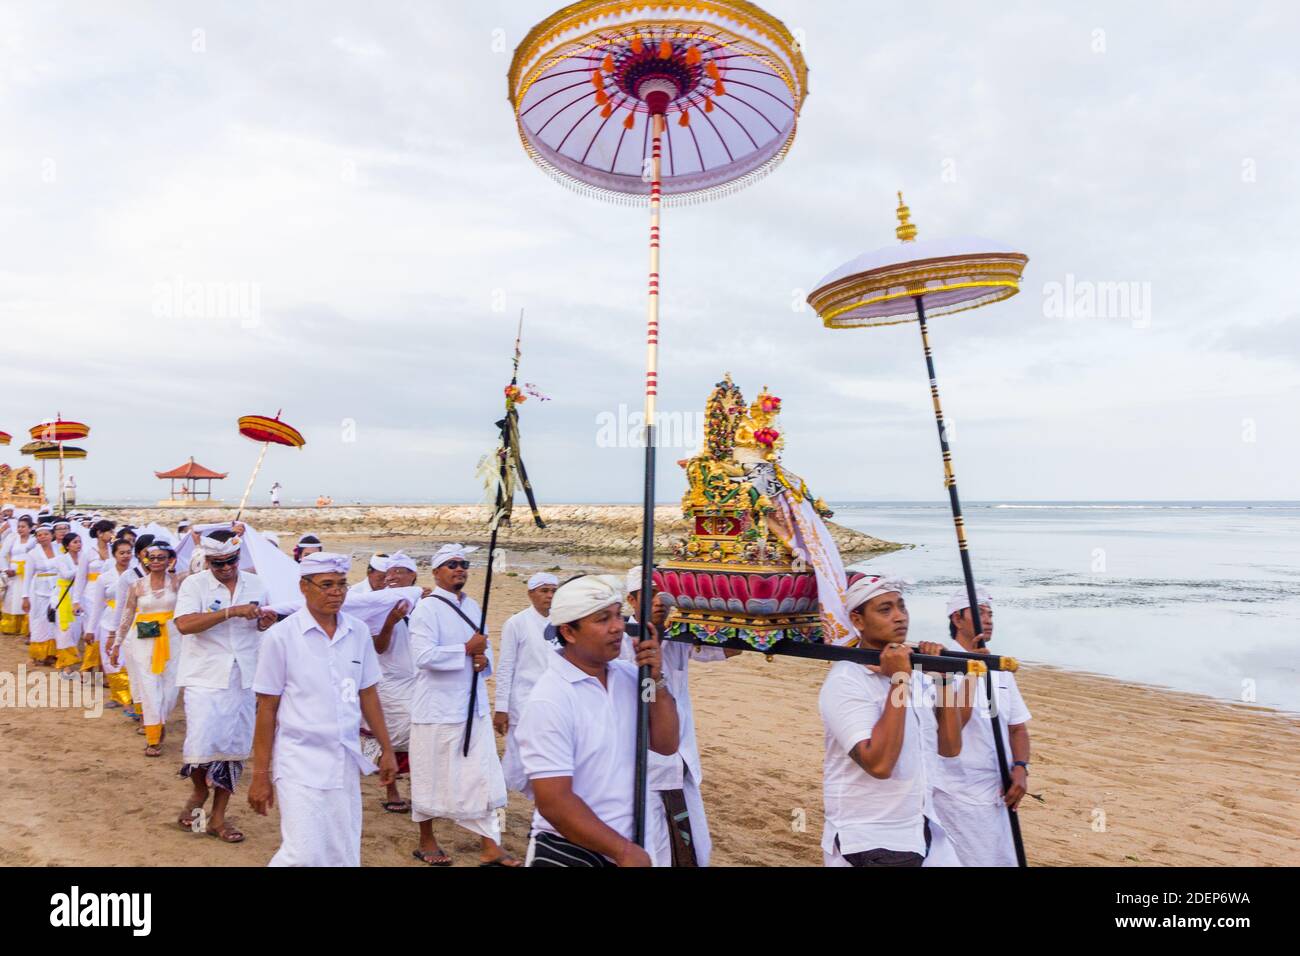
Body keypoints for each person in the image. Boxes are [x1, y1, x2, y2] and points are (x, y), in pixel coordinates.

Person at [516, 574, 678, 867]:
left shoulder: (631, 677)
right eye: (602, 619)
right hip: (578, 849)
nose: (617, 627)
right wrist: (622, 851)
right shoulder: (550, 699)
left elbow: (666, 745)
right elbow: (554, 802)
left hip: (633, 840)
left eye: (618, 615)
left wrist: (657, 680)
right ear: (569, 632)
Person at [248, 552, 398, 867]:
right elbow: (266, 709)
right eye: (327, 585)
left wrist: (386, 749)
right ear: (304, 587)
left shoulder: (356, 632)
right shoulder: (281, 637)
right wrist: (260, 774)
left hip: (344, 760)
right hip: (298, 762)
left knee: (341, 852)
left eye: (342, 585)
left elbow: (368, 694)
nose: (336, 592)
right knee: (303, 853)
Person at [818, 574, 963, 867]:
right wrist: (899, 680)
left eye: (902, 607)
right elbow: (879, 764)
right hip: (870, 839)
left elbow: (949, 747)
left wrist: (943, 681)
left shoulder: (914, 673)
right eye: (885, 610)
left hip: (921, 827)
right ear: (858, 620)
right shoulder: (846, 680)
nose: (899, 617)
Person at [406, 543, 517, 866]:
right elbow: (423, 657)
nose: (460, 568)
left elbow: (486, 653)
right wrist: (466, 650)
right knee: (430, 774)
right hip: (436, 711)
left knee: (484, 776)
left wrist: (483, 659)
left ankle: (490, 845)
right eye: (452, 564)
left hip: (473, 708)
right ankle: (426, 840)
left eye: (464, 563)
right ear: (437, 572)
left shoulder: (472, 607)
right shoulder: (426, 609)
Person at [623, 565, 738, 867]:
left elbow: (729, 650)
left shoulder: (678, 635)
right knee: (651, 846)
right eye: (649, 595)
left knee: (696, 846)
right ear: (631, 601)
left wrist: (717, 608)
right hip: (638, 765)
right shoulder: (619, 642)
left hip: (681, 758)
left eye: (664, 594)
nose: (659, 601)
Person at [173, 531, 274, 844]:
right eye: (219, 563)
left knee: (234, 750)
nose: (226, 567)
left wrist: (264, 621)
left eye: (232, 560)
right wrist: (230, 611)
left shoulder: (257, 583)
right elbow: (184, 625)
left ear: (239, 557)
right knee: (201, 746)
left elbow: (262, 624)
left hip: (244, 678)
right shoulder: (195, 584)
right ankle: (200, 790)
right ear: (208, 561)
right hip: (204, 676)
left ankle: (218, 816)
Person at [929, 587, 1032, 867]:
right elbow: (952, 730)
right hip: (956, 794)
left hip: (999, 792)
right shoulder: (939, 666)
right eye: (979, 612)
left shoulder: (999, 668)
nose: (988, 619)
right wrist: (974, 668)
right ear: (957, 619)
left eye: (991, 613)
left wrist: (1021, 767)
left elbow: (1017, 727)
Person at [494, 572, 559, 793]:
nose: (549, 596)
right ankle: (496, 800)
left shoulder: (564, 623)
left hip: (555, 703)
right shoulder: (516, 623)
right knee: (517, 759)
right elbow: (506, 666)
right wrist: (501, 708)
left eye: (553, 591)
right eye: (544, 591)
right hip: (523, 702)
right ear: (531, 594)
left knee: (549, 758)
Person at [118, 540, 183, 757]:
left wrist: (198, 541)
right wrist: (117, 640)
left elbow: (202, 568)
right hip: (144, 639)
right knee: (149, 686)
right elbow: (127, 614)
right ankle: (153, 737)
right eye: (152, 558)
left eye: (160, 558)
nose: (155, 562)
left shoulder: (178, 582)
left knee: (171, 688)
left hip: (173, 639)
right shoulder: (136, 585)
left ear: (170, 560)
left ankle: (160, 719)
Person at [365, 552, 418, 814]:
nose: (393, 576)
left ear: (413, 577)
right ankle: (392, 790)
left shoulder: (424, 603)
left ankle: (419, 792)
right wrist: (390, 622)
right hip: (390, 682)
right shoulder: (379, 605)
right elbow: (379, 647)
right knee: (392, 739)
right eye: (390, 572)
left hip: (420, 681)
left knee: (420, 738)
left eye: (400, 571)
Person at [93, 538, 135, 709]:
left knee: (130, 659)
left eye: (128, 552)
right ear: (114, 555)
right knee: (110, 659)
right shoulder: (104, 578)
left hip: (131, 621)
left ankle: (132, 696)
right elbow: (97, 605)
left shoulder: (137, 574)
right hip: (108, 621)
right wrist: (90, 629)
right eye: (121, 553)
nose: (125, 556)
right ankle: (119, 696)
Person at [21, 523, 61, 665]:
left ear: (52, 535)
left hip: (56, 590)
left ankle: (52, 653)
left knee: (55, 621)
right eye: (39, 535)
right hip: (38, 591)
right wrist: (25, 597)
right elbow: (27, 576)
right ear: (36, 538)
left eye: (46, 534)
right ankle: (36, 654)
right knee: (39, 621)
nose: (43, 537)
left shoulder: (60, 550)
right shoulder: (33, 554)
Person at [52, 532, 84, 677]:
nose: (78, 544)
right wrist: (82, 569)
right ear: (67, 545)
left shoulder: (84, 558)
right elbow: (66, 575)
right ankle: (66, 664)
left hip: (80, 596)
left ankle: (72, 659)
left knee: (76, 630)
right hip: (64, 596)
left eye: (79, 542)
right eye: (75, 542)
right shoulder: (60, 559)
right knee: (65, 631)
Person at [1, 515, 34, 637]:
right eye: (19, 526)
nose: (20, 529)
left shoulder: (34, 540)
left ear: (30, 528)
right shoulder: (12, 538)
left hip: (28, 573)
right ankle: (11, 626)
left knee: (25, 597)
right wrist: (6, 568)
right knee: (11, 598)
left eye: (23, 527)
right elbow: (2, 555)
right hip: (13, 573)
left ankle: (26, 627)